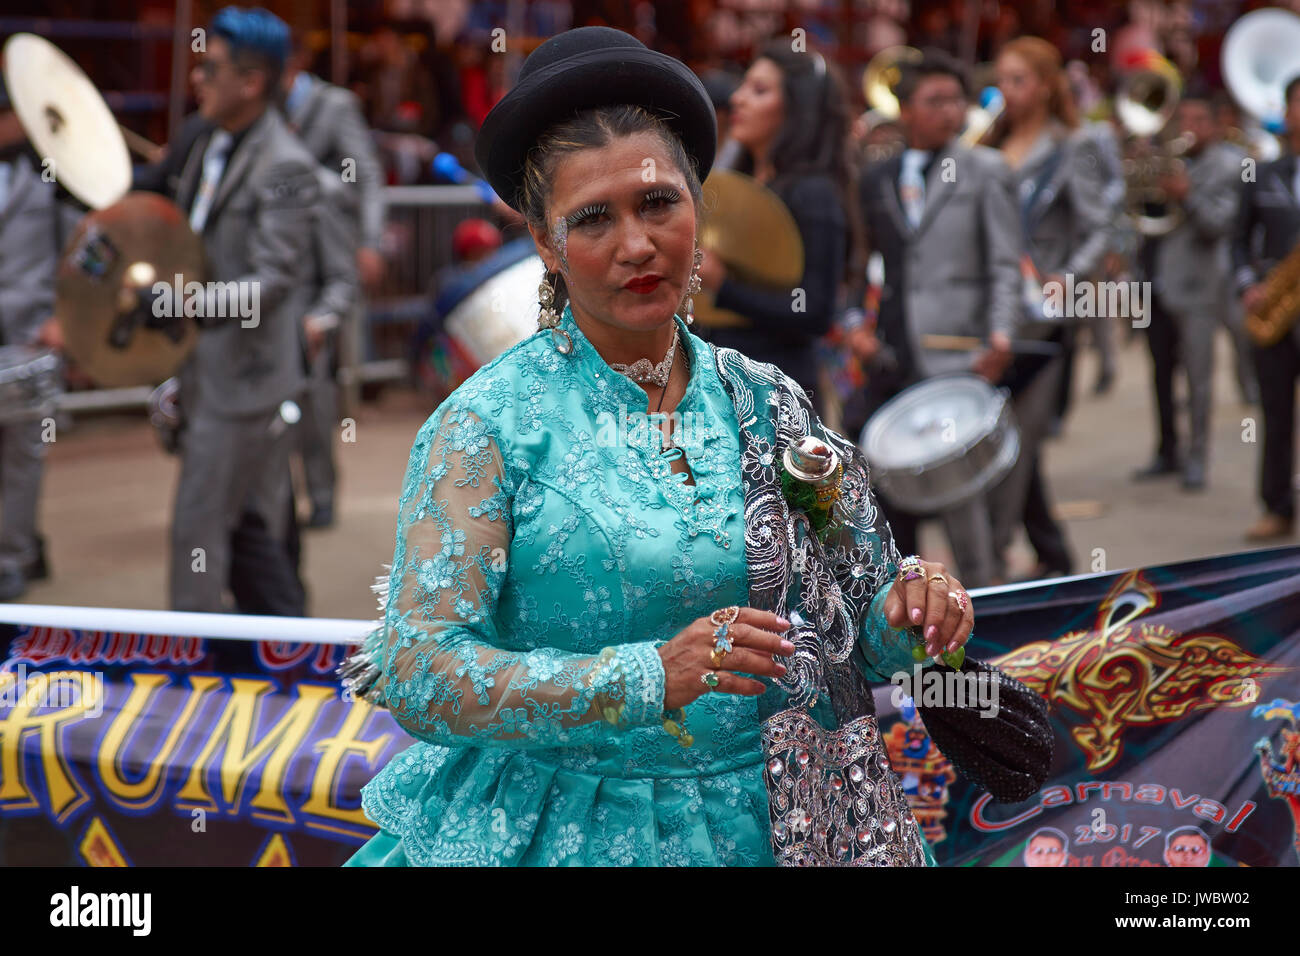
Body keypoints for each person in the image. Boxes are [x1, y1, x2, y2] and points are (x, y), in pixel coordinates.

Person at [340, 27, 979, 867]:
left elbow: (863, 622)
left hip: (780, 821)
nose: (637, 245)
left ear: (699, 207)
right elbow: (419, 670)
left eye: (657, 204)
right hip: (567, 827)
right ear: (544, 243)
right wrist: (644, 678)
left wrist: (919, 608)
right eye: (593, 219)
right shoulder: (487, 427)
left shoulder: (766, 399)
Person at [134, 6, 320, 612]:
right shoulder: (206, 142)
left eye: (210, 68)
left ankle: (191, 665)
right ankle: (280, 650)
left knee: (202, 530)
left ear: (252, 82)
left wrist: (186, 306)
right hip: (212, 372)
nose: (197, 79)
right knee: (252, 533)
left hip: (246, 385)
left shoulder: (284, 163)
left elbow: (273, 284)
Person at [850, 49, 1022, 589]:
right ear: (904, 110)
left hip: (960, 352)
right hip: (893, 352)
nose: (949, 112)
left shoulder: (986, 169)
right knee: (888, 487)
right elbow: (864, 262)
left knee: (963, 499)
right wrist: (856, 322)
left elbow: (1004, 261)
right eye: (934, 101)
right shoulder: (875, 179)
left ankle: (989, 606)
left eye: (955, 100)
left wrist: (1001, 334)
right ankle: (908, 620)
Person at [981, 36, 1112, 579]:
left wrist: (1068, 279)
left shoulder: (1070, 144)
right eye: (1002, 80)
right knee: (998, 434)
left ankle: (992, 560)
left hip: (1041, 315)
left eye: (1019, 80)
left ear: (1045, 85)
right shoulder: (987, 141)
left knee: (1018, 440)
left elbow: (1100, 228)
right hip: (989, 310)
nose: (1008, 91)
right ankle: (1051, 555)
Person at [692, 40, 859, 412]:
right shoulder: (744, 181)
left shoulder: (814, 194)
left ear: (798, 109)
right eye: (744, 85)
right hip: (725, 381)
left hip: (776, 395)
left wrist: (723, 286)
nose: (737, 99)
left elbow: (814, 312)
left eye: (759, 90)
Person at [282, 32, 385, 526]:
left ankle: (321, 495)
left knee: (318, 384)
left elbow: (365, 173)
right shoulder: (258, 111)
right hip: (278, 262)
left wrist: (370, 240)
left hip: (328, 254)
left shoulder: (334, 105)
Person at [1133, 96, 1242, 491]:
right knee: (1161, 373)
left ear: (1216, 124)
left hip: (1198, 285)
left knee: (1198, 377)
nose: (1190, 127)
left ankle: (1198, 458)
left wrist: (1186, 194)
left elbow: (1220, 224)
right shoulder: (1165, 159)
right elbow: (1138, 213)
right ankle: (1167, 451)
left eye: (1200, 119)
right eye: (1185, 119)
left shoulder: (1230, 166)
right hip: (1155, 280)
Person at [0, 83, 81, 600]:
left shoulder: (55, 179)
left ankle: (11, 559)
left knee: (24, 454)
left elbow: (82, 254)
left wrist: (65, 318)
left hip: (30, 335)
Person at [1233, 75, 1300, 542]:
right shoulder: (1262, 172)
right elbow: (1238, 240)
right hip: (1277, 305)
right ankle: (1276, 506)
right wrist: (1248, 285)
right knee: (1274, 414)